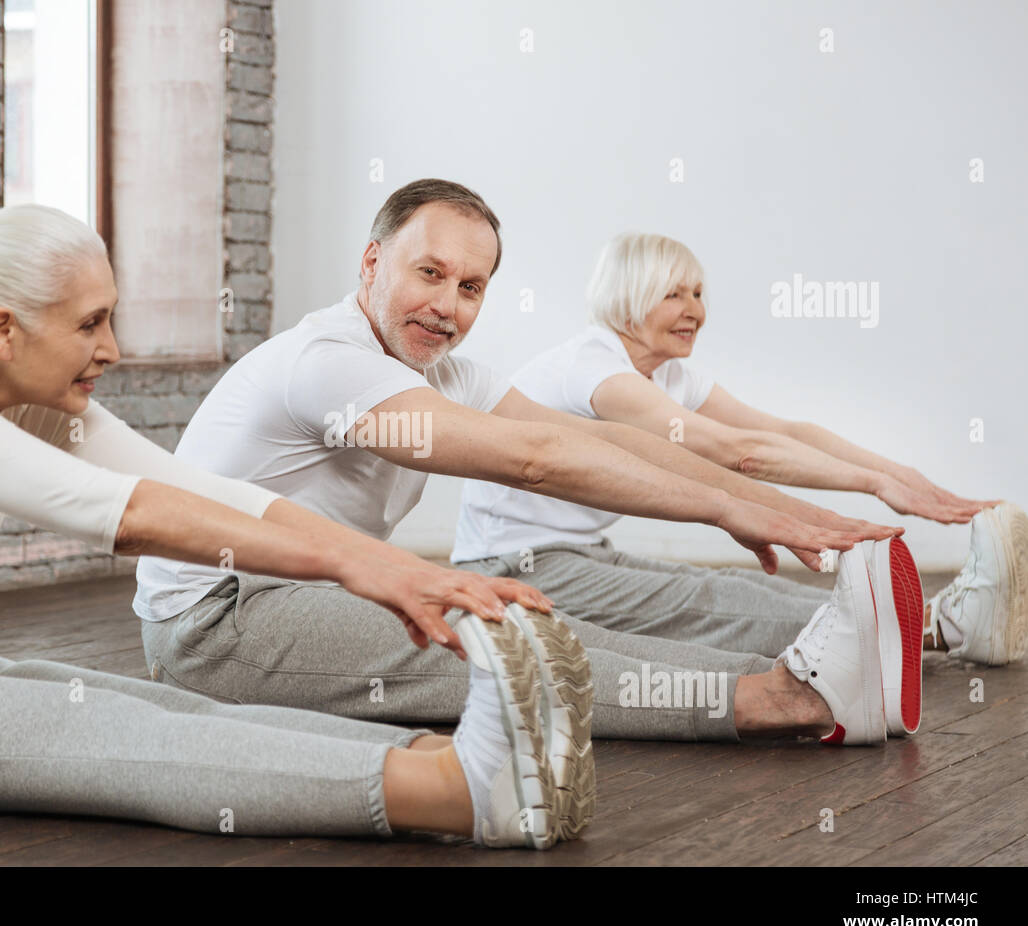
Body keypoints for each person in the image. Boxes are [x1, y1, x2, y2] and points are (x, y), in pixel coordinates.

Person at [0, 204, 594, 850]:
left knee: (141, 701)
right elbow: (131, 518)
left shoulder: (19, 393)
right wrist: (366, 573)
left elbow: (197, 489)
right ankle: (455, 792)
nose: (112, 347)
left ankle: (457, 754)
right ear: (2, 328)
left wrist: (391, 565)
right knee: (91, 736)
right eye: (90, 323)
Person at [134, 178, 918, 749]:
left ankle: (808, 673)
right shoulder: (326, 363)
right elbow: (537, 460)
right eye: (429, 273)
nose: (448, 305)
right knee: (506, 644)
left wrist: (765, 502)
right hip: (217, 622)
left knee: (551, 626)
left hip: (318, 587)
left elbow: (597, 440)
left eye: (471, 287)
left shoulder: (447, 371)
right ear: (372, 263)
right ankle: (784, 702)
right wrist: (726, 509)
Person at [453, 231, 1024, 670]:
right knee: (713, 600)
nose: (694, 309)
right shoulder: (597, 369)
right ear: (628, 299)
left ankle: (941, 624)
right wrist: (873, 488)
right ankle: (949, 627)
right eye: (672, 293)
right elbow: (737, 453)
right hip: (514, 564)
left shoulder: (670, 375)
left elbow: (782, 431)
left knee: (750, 589)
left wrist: (894, 472)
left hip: (580, 550)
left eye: (698, 293)